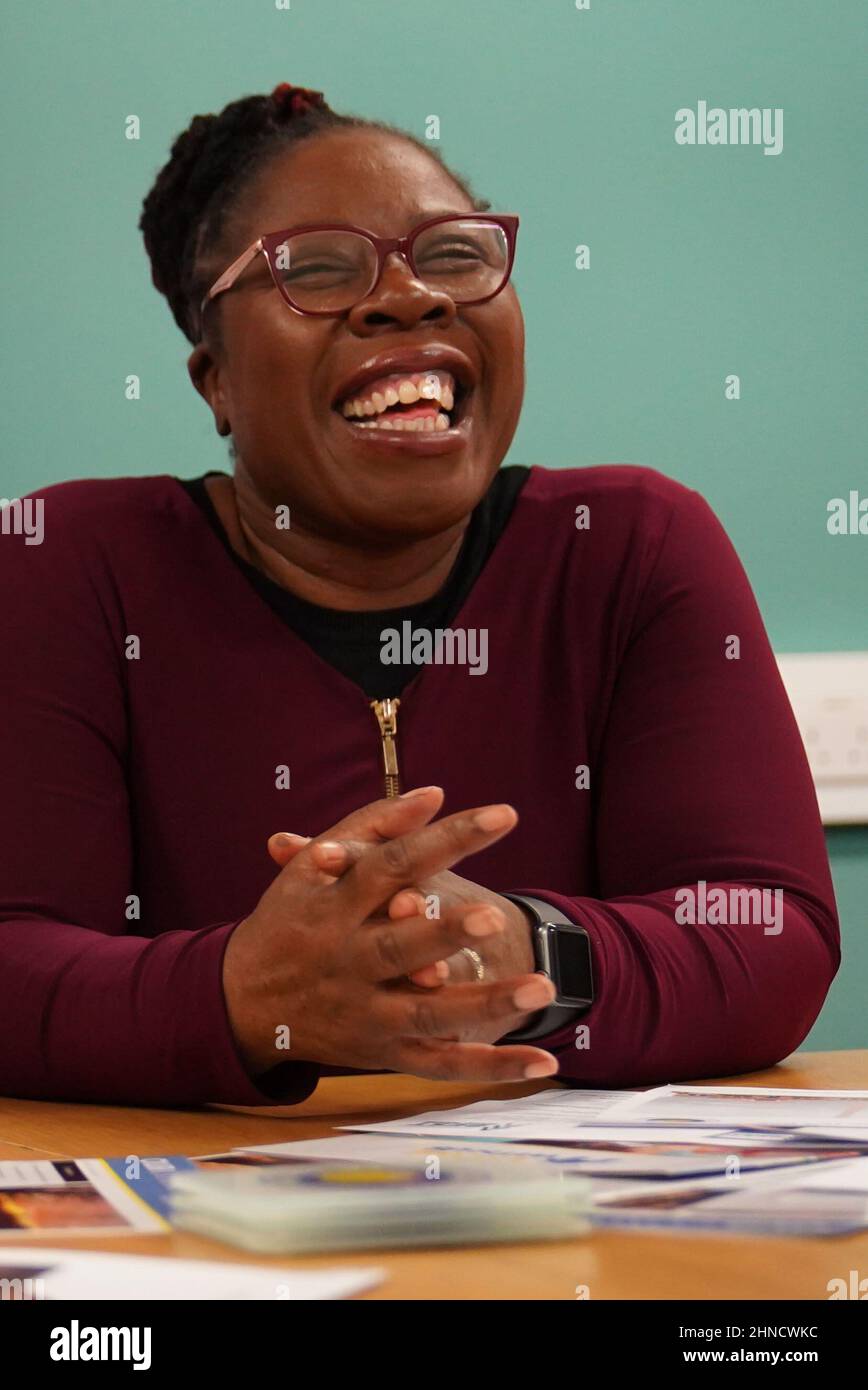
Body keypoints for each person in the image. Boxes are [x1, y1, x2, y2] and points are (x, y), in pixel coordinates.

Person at [0, 83, 838, 1107]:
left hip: (561, 1228)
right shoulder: (65, 566)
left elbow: (771, 931)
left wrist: (515, 950)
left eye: (454, 254)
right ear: (214, 380)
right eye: (316, 268)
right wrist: (248, 992)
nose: (412, 297)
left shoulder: (633, 546)